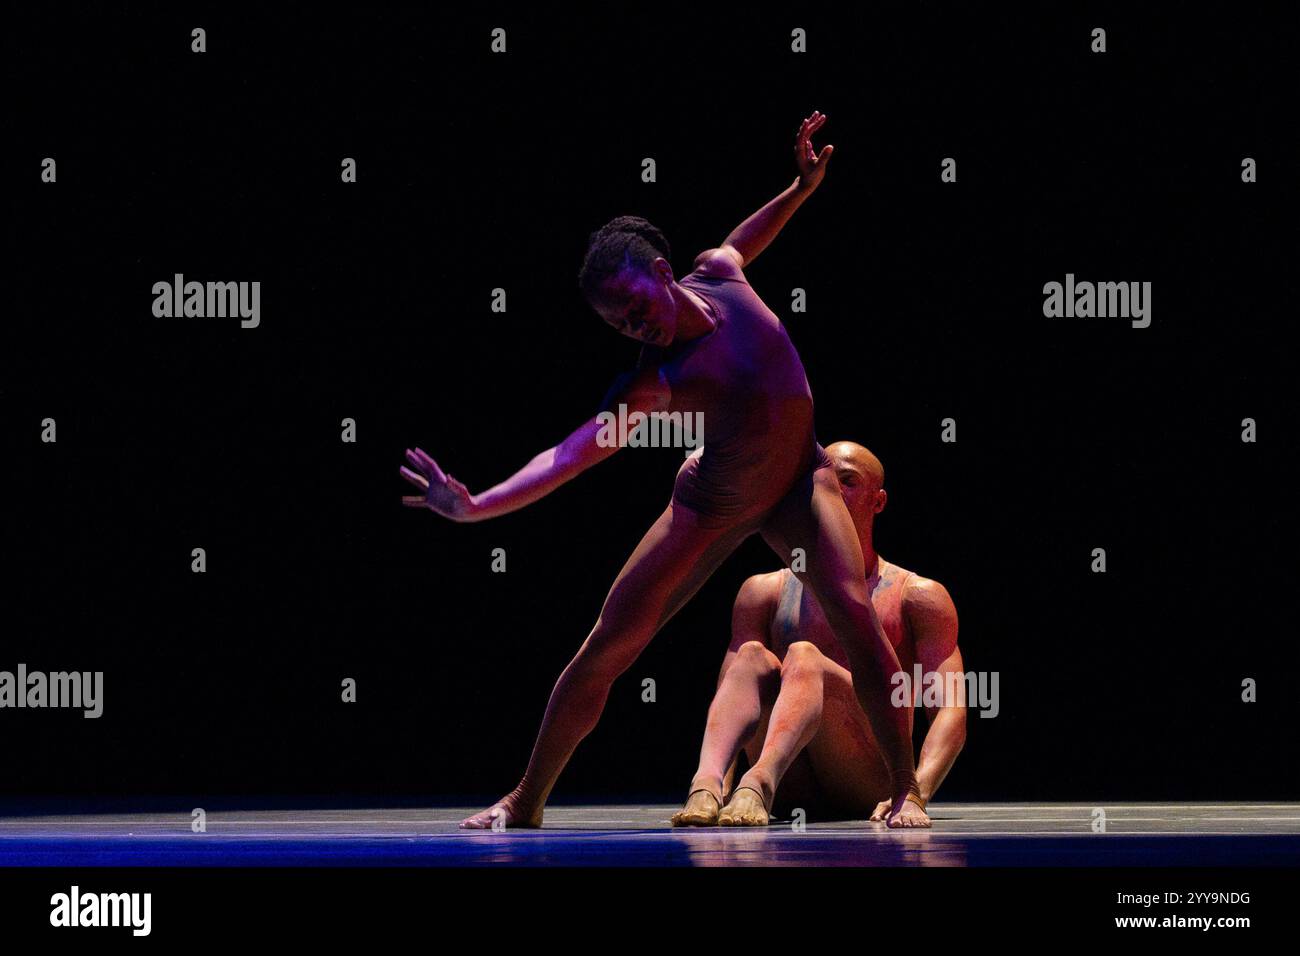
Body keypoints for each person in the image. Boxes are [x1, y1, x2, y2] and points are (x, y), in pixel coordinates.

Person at [400, 111, 930, 828]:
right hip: (712, 503)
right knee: (608, 643)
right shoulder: (651, 383)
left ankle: (906, 793)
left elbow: (745, 240)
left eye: (633, 307)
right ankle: (525, 801)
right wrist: (477, 505)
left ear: (660, 272)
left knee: (858, 622)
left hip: (799, 488)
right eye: (616, 323)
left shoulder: (718, 273)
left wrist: (800, 189)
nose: (631, 325)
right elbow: (571, 452)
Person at [670, 442, 964, 827]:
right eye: (824, 479)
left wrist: (914, 793)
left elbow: (950, 709)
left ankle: (758, 781)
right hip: (789, 783)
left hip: (866, 778)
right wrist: (719, 787)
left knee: (805, 655)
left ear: (878, 502)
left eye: (848, 480)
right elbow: (730, 698)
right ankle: (706, 785)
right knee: (750, 657)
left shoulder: (917, 595)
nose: (833, 488)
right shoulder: (764, 591)